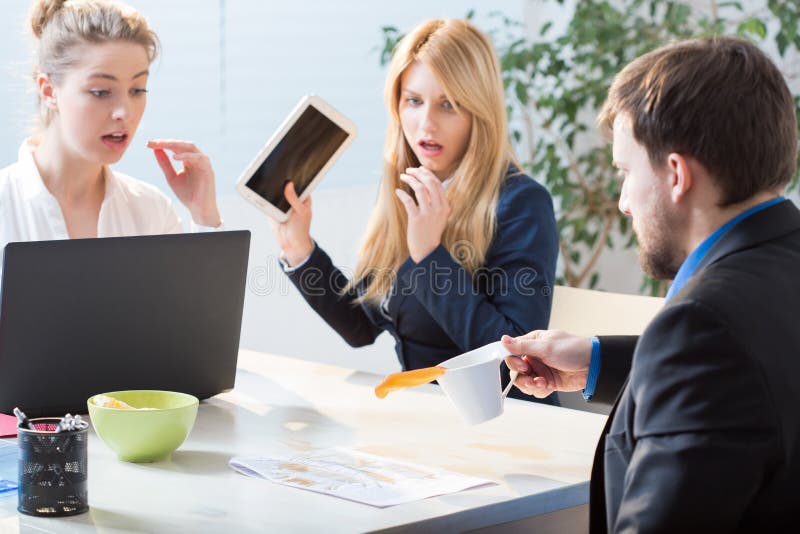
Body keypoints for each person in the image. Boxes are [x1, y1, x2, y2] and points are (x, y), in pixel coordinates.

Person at [503, 36, 800, 531]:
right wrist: (596, 359)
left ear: (676, 174)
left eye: (625, 172)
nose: (623, 202)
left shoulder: (703, 328)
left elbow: (714, 357)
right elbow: (749, 373)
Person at [272, 19, 559, 404]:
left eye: (448, 104)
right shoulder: (407, 192)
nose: (427, 124)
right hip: (423, 419)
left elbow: (516, 358)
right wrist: (299, 250)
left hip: (504, 423)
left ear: (479, 110)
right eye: (413, 101)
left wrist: (428, 256)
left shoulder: (522, 203)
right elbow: (360, 326)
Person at [0, 0, 222, 251]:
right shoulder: (5, 206)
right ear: (49, 91)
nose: (124, 112)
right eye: (101, 92)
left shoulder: (152, 213)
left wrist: (204, 216)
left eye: (137, 90)